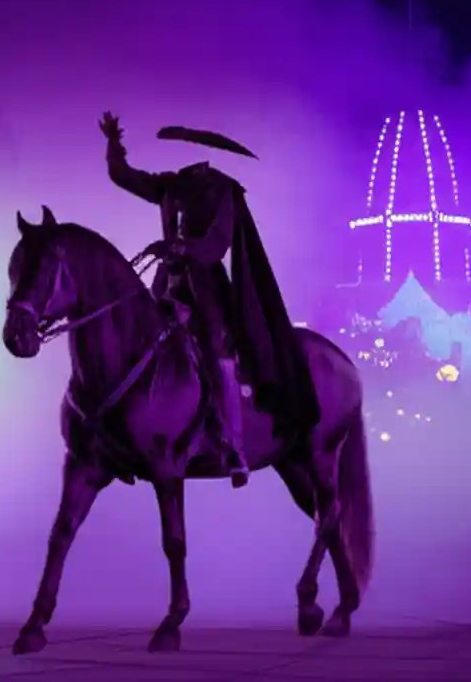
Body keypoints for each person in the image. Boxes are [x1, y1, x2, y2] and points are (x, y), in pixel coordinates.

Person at [99, 112, 319, 488]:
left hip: (207, 289)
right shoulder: (172, 186)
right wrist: (113, 143)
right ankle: (123, 440)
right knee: (134, 347)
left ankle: (234, 447)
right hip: (168, 285)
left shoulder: (222, 190)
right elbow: (124, 176)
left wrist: (179, 245)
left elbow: (216, 244)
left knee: (220, 359)